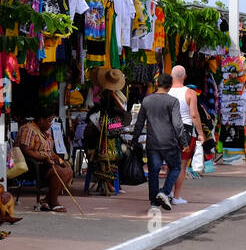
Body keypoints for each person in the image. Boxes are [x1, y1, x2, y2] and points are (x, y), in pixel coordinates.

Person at [133, 73, 185, 211]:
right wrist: (184, 141)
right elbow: (178, 124)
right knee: (175, 167)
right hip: (170, 142)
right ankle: (164, 191)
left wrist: (134, 139)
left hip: (153, 143)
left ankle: (154, 202)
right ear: (170, 86)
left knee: (153, 172)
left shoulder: (146, 101)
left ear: (157, 84)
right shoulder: (173, 101)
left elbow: (139, 122)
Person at [82, 67, 131, 196]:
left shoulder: (110, 100)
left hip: (103, 139)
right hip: (101, 143)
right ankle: (110, 181)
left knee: (121, 150)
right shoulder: (109, 100)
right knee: (118, 151)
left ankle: (111, 181)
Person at [16, 111, 74, 213]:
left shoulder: (45, 131)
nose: (50, 124)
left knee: (68, 171)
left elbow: (50, 152)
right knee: (60, 172)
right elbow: (25, 150)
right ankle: (54, 202)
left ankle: (47, 199)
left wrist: (60, 160)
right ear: (41, 120)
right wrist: (43, 158)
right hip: (33, 164)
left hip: (46, 163)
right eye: (49, 121)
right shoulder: (28, 129)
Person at [168, 65, 206, 205]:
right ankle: (176, 197)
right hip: (186, 131)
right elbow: (194, 115)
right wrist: (201, 134)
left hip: (168, 131)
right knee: (182, 165)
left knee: (170, 164)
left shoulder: (165, 92)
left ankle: (169, 191)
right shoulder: (190, 93)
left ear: (171, 76)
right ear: (184, 77)